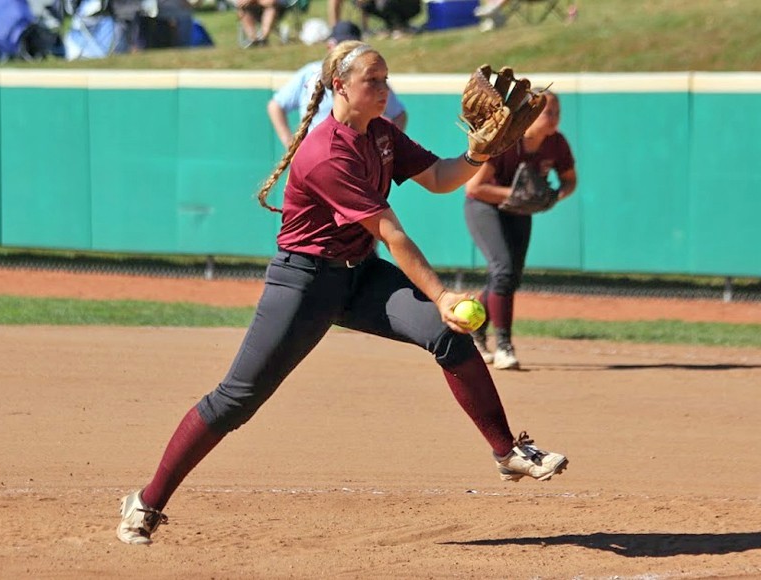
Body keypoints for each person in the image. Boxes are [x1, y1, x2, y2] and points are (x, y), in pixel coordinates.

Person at [116, 40, 568, 545]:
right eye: (372, 80)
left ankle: (507, 451)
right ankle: (147, 500)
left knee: (447, 336)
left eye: (386, 79)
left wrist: (476, 153)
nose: (383, 89)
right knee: (236, 400)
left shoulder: (380, 134)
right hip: (305, 282)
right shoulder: (326, 152)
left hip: (360, 276)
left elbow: (440, 178)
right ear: (340, 86)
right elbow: (392, 233)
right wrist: (442, 294)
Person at [463, 92, 577, 370]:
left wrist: (554, 196)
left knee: (508, 276)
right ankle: (504, 345)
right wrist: (518, 193)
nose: (554, 118)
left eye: (557, 112)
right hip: (484, 208)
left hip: (518, 211)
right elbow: (474, 187)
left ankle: (475, 332)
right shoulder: (507, 140)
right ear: (531, 114)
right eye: (548, 112)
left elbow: (570, 181)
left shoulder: (556, 143)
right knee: (502, 270)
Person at [266, 21, 407, 147]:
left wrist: (386, 147)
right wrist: (290, 144)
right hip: (317, 152)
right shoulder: (311, 73)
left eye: (353, 48)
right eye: (342, 47)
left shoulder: (371, 78)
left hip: (357, 152)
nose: (348, 54)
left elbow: (399, 114)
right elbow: (276, 106)